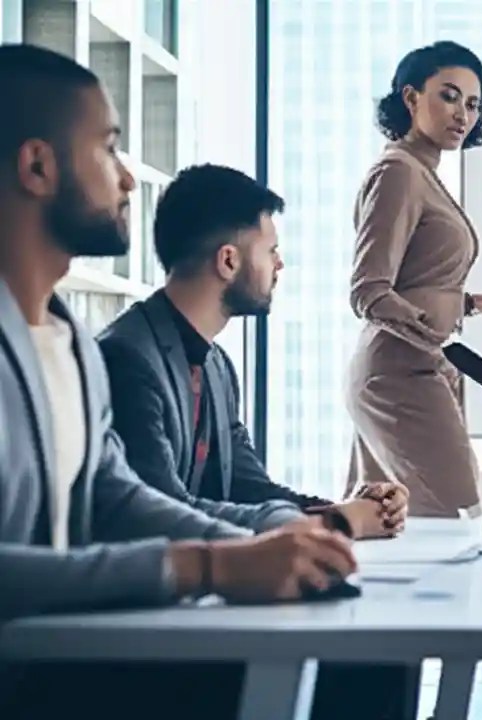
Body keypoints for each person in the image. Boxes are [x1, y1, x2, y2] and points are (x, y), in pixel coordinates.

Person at [0, 43, 357, 719]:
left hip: (62, 655)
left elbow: (115, 495)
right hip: (41, 676)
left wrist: (267, 545)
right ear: (38, 165)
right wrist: (210, 567)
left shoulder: (67, 339)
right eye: (108, 148)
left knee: (362, 660)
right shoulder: (121, 351)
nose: (129, 178)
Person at [98, 163, 408, 538]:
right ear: (228, 260)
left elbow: (248, 489)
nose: (280, 264)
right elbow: (161, 510)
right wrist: (335, 524)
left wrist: (342, 510)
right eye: (271, 250)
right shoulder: (127, 359)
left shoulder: (216, 366)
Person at [347, 40, 482, 517]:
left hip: (419, 365)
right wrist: (433, 333)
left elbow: (417, 279)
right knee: (463, 515)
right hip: (399, 372)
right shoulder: (398, 173)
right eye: (449, 96)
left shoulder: (421, 172)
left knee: (382, 523)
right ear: (411, 99)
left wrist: (478, 304)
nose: (463, 114)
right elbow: (368, 291)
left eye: (473, 104)